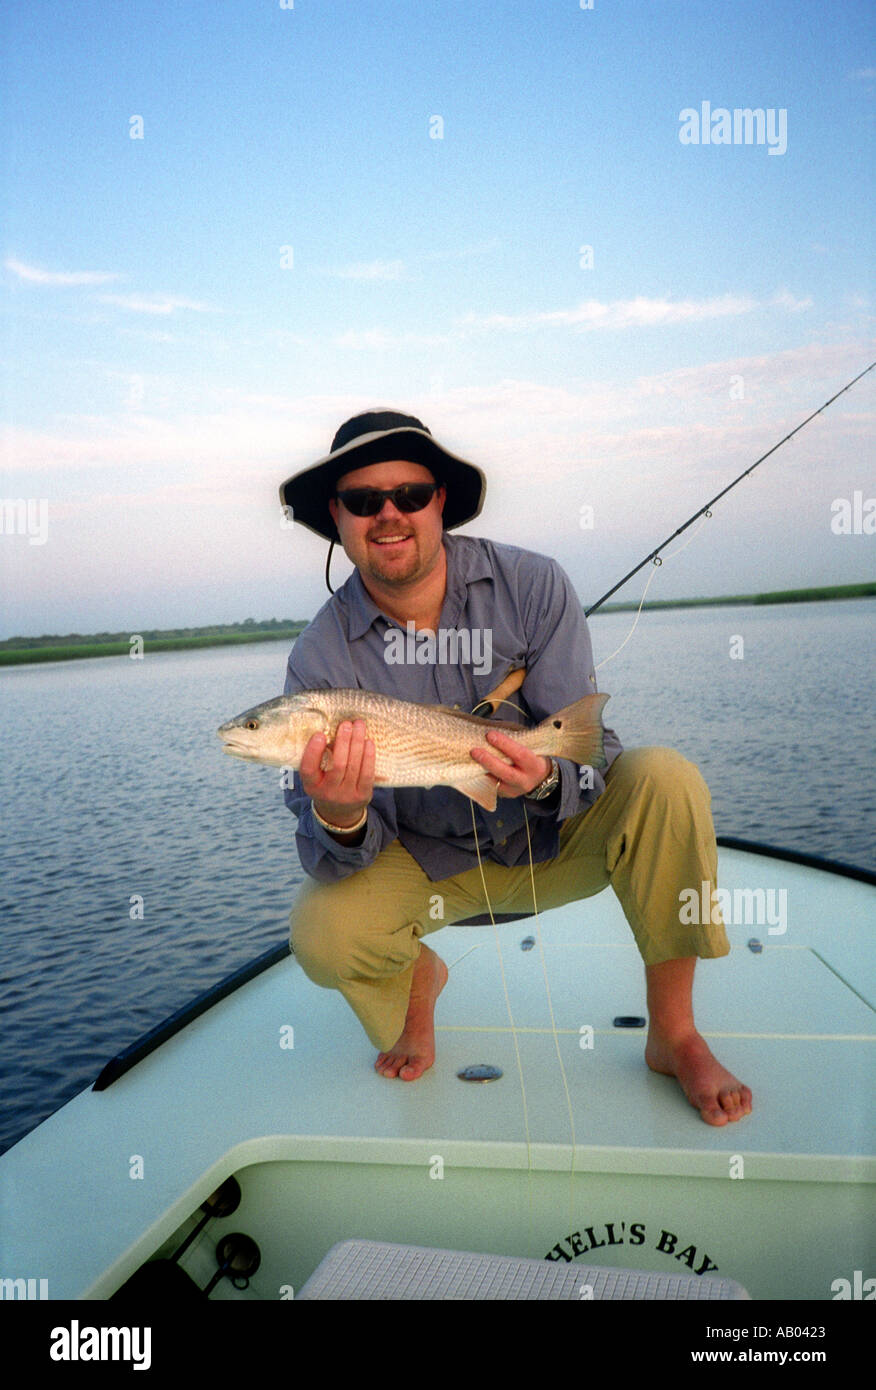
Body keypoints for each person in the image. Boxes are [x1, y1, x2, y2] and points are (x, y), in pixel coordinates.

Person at [279, 409, 752, 1126]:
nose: (388, 514)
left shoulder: (532, 583)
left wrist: (547, 778)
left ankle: (674, 1034)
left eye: (409, 494)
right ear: (336, 517)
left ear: (440, 500)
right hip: (431, 866)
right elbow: (337, 857)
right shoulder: (318, 658)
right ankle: (419, 983)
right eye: (362, 500)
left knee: (664, 776)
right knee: (322, 930)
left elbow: (594, 756)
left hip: (555, 839)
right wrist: (340, 814)